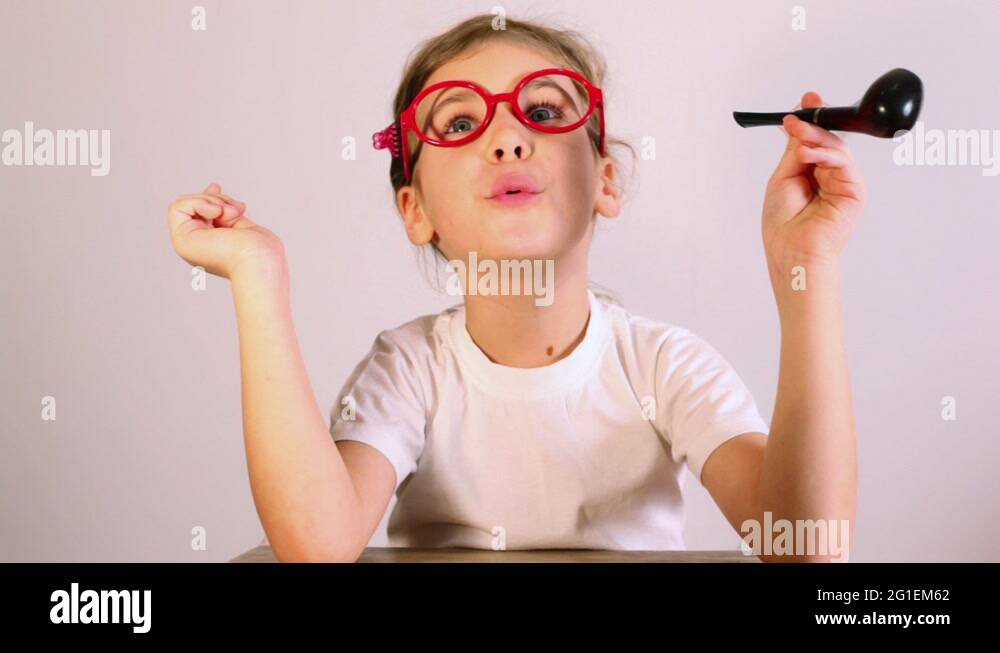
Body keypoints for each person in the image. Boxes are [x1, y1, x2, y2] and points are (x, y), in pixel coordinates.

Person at [167, 14, 864, 562]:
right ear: (416, 209)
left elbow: (803, 542)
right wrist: (259, 277)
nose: (506, 139)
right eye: (461, 122)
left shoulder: (664, 366)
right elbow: (315, 544)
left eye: (546, 111)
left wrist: (806, 267)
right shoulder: (410, 370)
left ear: (606, 180)